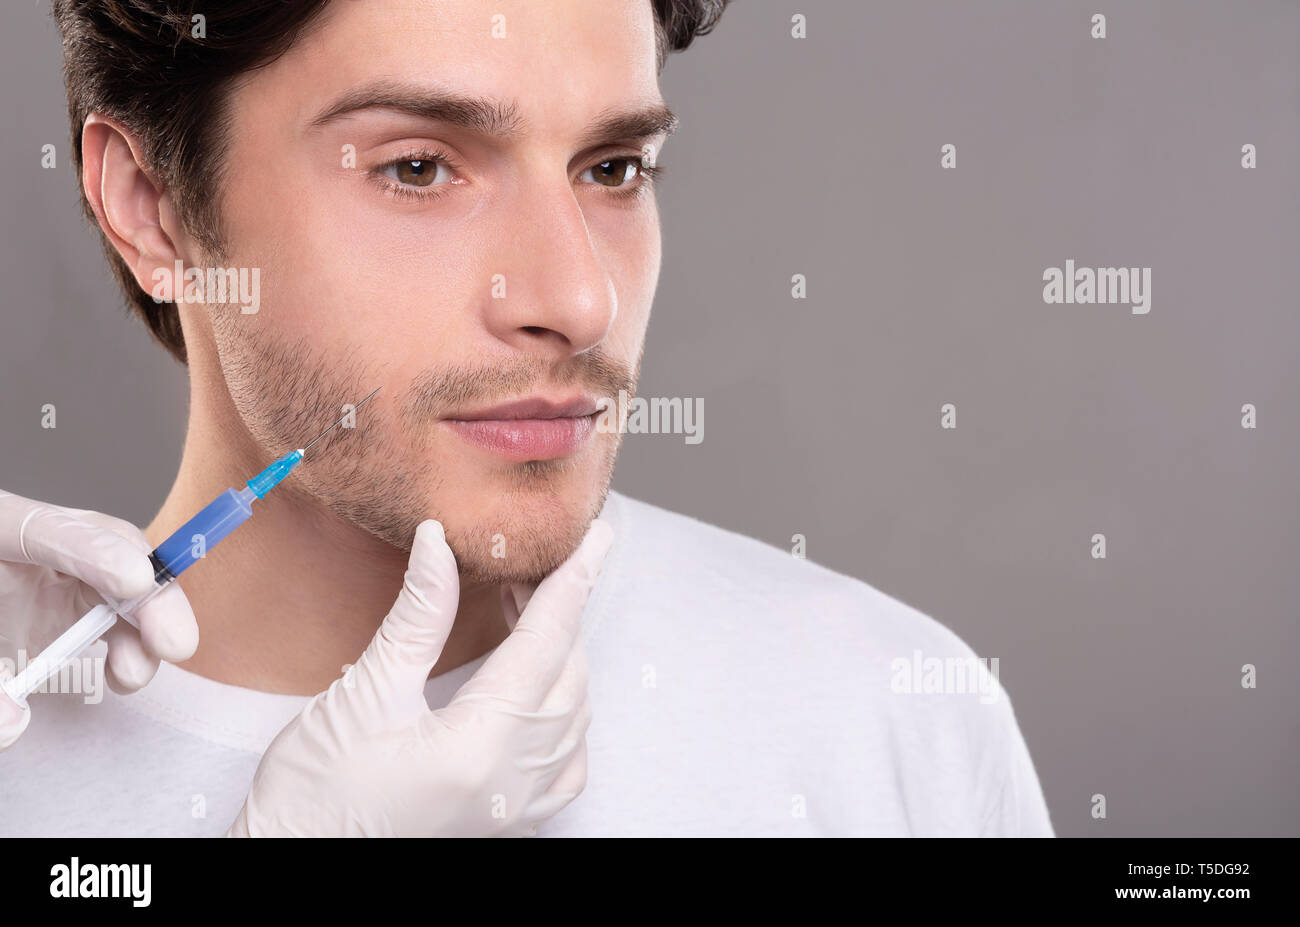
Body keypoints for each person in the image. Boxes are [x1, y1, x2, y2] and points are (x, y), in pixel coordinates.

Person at [0, 0, 1053, 836]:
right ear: (151, 204)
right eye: (417, 168)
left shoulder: (891, 714)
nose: (575, 299)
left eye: (612, 169)